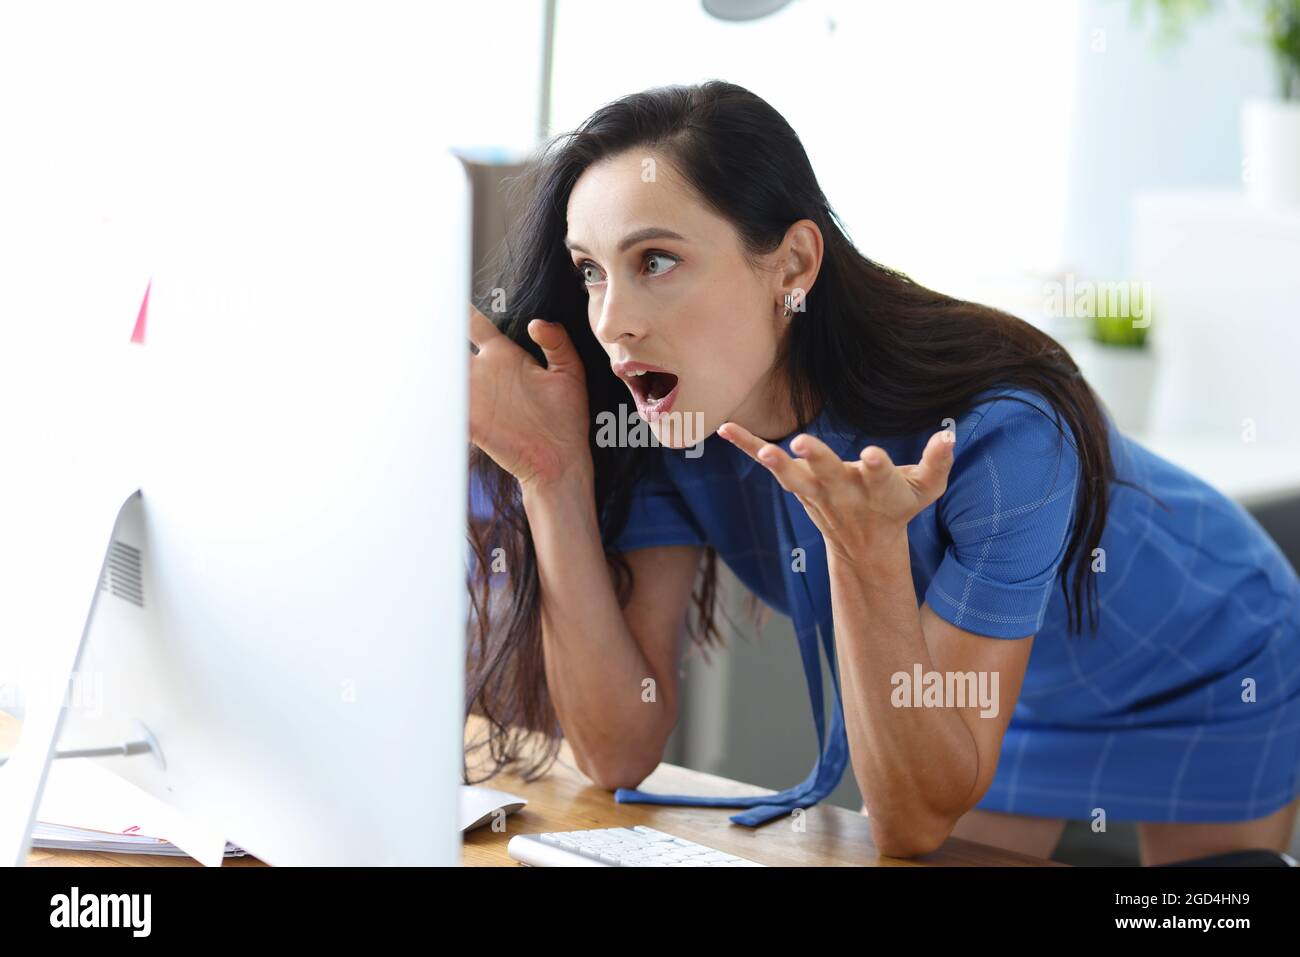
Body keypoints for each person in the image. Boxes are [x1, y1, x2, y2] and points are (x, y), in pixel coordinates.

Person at [464, 80, 1300, 864]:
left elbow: (908, 817)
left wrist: (869, 558)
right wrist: (551, 475)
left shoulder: (1000, 429)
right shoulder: (666, 424)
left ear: (792, 266)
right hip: (993, 689)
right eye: (590, 270)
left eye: (655, 261)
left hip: (1202, 655)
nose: (611, 321)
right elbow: (621, 749)